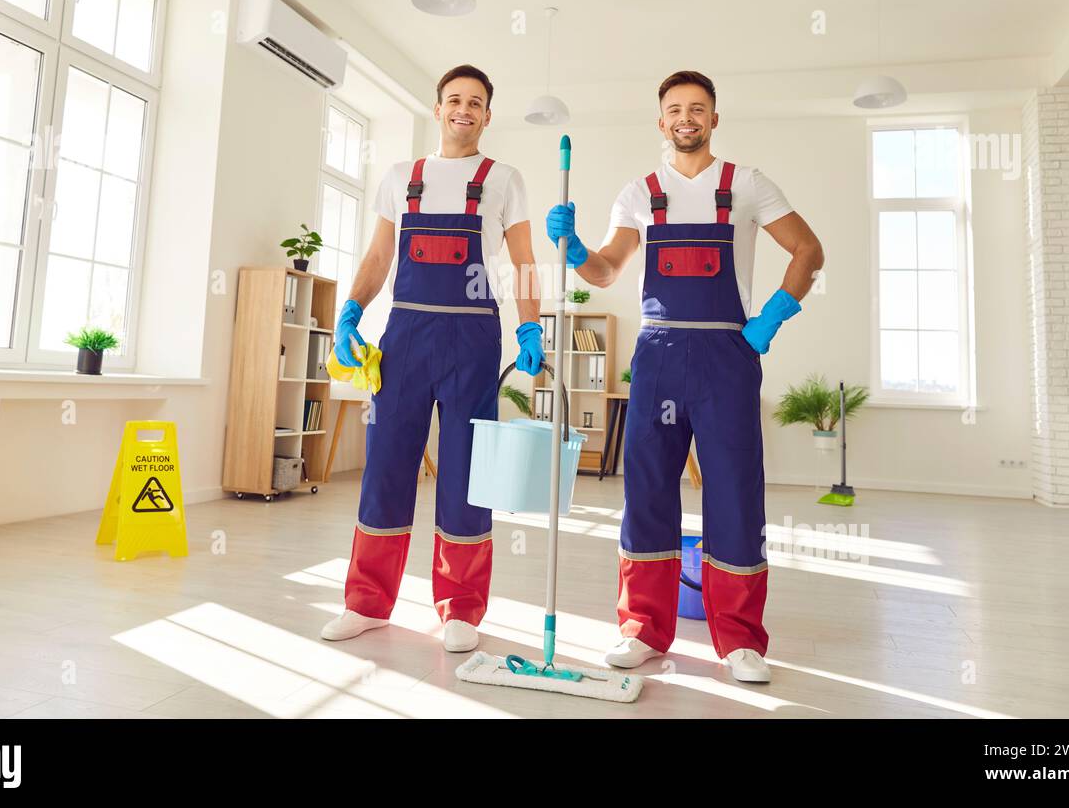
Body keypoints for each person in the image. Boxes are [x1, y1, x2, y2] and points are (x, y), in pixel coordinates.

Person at [544, 70, 824, 682]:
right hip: (659, 354)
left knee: (734, 490)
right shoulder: (639, 193)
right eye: (674, 109)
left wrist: (768, 320)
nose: (686, 118)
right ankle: (642, 627)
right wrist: (573, 249)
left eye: (697, 108)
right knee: (645, 488)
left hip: (727, 356)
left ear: (714, 119)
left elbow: (809, 251)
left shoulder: (746, 184)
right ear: (661, 120)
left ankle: (741, 639)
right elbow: (606, 270)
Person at [321, 65, 544, 653]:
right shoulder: (401, 177)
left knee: (468, 475)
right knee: (386, 466)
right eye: (454, 100)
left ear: (488, 115)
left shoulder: (504, 179)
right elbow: (377, 256)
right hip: (406, 336)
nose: (463, 110)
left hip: (473, 338)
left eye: (476, 102)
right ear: (438, 108)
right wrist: (350, 311)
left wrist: (530, 326)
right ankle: (366, 603)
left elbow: (522, 260)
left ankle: (461, 609)